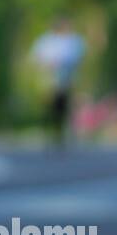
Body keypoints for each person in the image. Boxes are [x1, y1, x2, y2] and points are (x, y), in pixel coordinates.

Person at [31, 17, 86, 148]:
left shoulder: (73, 40)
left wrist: (63, 63)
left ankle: (63, 133)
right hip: (48, 76)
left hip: (66, 76)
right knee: (49, 104)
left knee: (64, 105)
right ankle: (47, 131)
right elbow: (37, 56)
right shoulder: (46, 40)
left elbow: (77, 57)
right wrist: (46, 64)